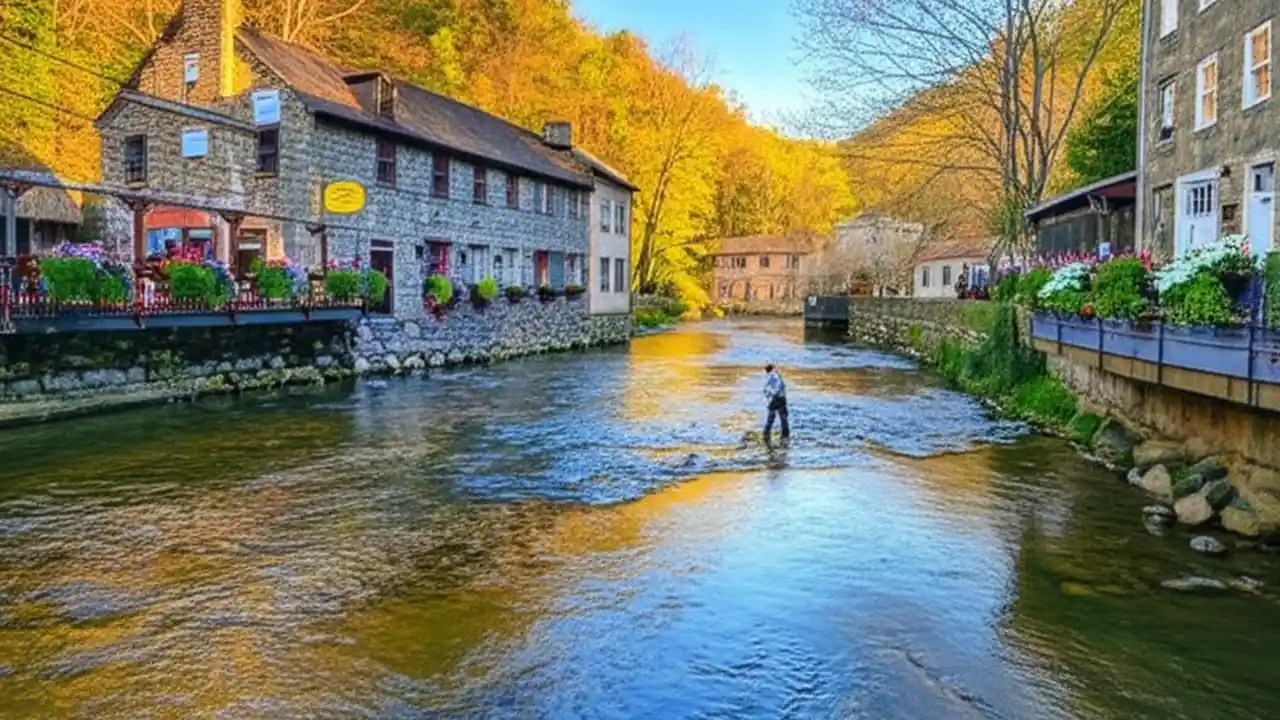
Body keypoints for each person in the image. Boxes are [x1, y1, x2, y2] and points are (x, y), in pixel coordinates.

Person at [762, 363, 790, 444]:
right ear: (773, 369)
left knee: (771, 417)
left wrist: (769, 394)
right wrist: (773, 393)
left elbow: (765, 389)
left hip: (775, 399)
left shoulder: (771, 376)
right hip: (780, 399)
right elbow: (780, 386)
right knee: (783, 419)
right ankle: (785, 436)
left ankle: (766, 434)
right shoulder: (776, 375)